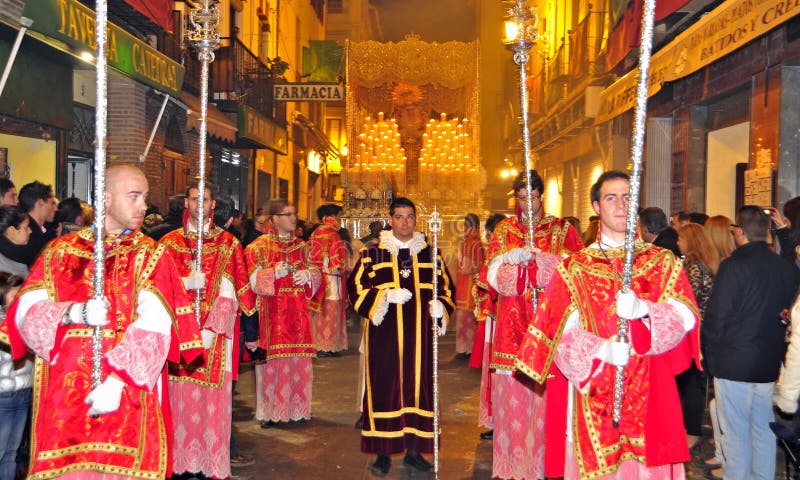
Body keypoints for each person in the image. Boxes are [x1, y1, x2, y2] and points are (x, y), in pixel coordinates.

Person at [0, 164, 201, 479]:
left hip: (126, 395)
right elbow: (25, 311)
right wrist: (73, 313)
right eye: (134, 196)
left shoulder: (151, 255)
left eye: (145, 197)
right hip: (66, 402)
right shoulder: (59, 252)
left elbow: (155, 325)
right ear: (104, 199)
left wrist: (117, 381)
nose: (144, 205)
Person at [515, 170, 700, 479]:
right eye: (611, 198)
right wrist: (602, 350)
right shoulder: (573, 268)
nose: (621, 205)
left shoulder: (662, 262)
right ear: (597, 207)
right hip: (595, 397)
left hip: (650, 393)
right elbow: (560, 334)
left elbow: (686, 317)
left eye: (628, 198)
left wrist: (646, 311)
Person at [480, 170, 583, 480]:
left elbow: (578, 269)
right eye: (521, 198)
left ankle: (543, 466)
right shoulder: (504, 230)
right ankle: (512, 466)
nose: (527, 204)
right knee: (512, 405)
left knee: (545, 404)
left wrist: (547, 261)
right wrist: (510, 261)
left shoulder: (562, 228)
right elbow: (490, 275)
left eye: (532, 197)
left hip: (547, 327)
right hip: (512, 329)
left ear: (542, 196)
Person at [347, 197, 455, 477]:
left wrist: (441, 304)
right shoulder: (373, 254)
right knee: (384, 391)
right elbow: (356, 289)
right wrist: (383, 296)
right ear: (391, 220)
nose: (405, 222)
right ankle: (383, 453)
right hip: (385, 340)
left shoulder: (431, 255)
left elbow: (446, 287)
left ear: (415, 220)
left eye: (409, 217)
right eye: (399, 217)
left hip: (420, 339)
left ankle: (414, 451)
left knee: (420, 392)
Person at [161, 182, 256, 479]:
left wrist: (211, 330)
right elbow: (155, 289)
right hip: (177, 336)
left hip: (215, 337)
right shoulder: (168, 242)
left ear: (213, 204)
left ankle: (208, 463)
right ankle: (179, 463)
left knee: (213, 403)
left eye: (205, 199)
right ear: (185, 203)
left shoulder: (228, 243)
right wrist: (184, 284)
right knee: (179, 400)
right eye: (193, 199)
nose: (198, 204)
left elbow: (232, 293)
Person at [701, 205, 799, 480]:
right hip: (767, 361)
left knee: (736, 433)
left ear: (740, 233)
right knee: (762, 430)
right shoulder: (783, 268)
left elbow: (717, 317)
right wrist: (785, 234)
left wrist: (709, 355)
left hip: (733, 361)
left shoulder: (733, 266)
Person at [244, 199, 321, 427]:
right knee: (272, 365)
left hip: (298, 315)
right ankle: (271, 411)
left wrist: (309, 276)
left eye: (294, 213)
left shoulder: (303, 246)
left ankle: (296, 408)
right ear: (275, 219)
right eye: (288, 214)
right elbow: (249, 284)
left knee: (298, 362)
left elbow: (317, 275)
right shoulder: (257, 247)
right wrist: (271, 274)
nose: (293, 218)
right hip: (271, 315)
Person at [675, 223, 719, 452]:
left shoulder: (693, 268)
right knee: (695, 383)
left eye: (681, 239)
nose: (677, 242)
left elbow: (688, 301)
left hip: (694, 333)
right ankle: (690, 429)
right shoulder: (707, 265)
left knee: (692, 384)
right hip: (702, 332)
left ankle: (692, 431)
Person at [470, 212, 505, 441]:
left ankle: (502, 423)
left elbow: (485, 283)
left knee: (499, 374)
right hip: (496, 319)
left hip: (502, 322)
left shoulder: (499, 253)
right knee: (494, 374)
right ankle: (497, 421)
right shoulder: (495, 252)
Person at [308, 204, 349, 357]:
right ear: (333, 215)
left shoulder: (315, 233)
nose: (339, 219)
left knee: (320, 313)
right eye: (339, 216)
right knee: (331, 311)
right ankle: (328, 346)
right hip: (331, 278)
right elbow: (338, 260)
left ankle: (320, 345)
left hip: (318, 279)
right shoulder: (332, 234)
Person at [0, 272, 26, 480]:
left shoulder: (21, 319)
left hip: (23, 393)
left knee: (12, 454)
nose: (20, 300)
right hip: (3, 395)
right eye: (15, 295)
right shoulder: (4, 323)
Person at [454, 213, 484, 358]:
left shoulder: (467, 242)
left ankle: (464, 350)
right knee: (472, 320)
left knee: (465, 320)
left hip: (465, 287)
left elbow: (466, 268)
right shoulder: (477, 242)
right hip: (474, 287)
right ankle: (470, 350)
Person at [17, 181, 57, 266]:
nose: (55, 209)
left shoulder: (43, 231)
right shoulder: (28, 236)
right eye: (52, 203)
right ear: (41, 203)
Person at [0, 206, 31, 279]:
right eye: (26, 227)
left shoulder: (17, 254)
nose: (30, 231)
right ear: (12, 231)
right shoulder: (4, 268)